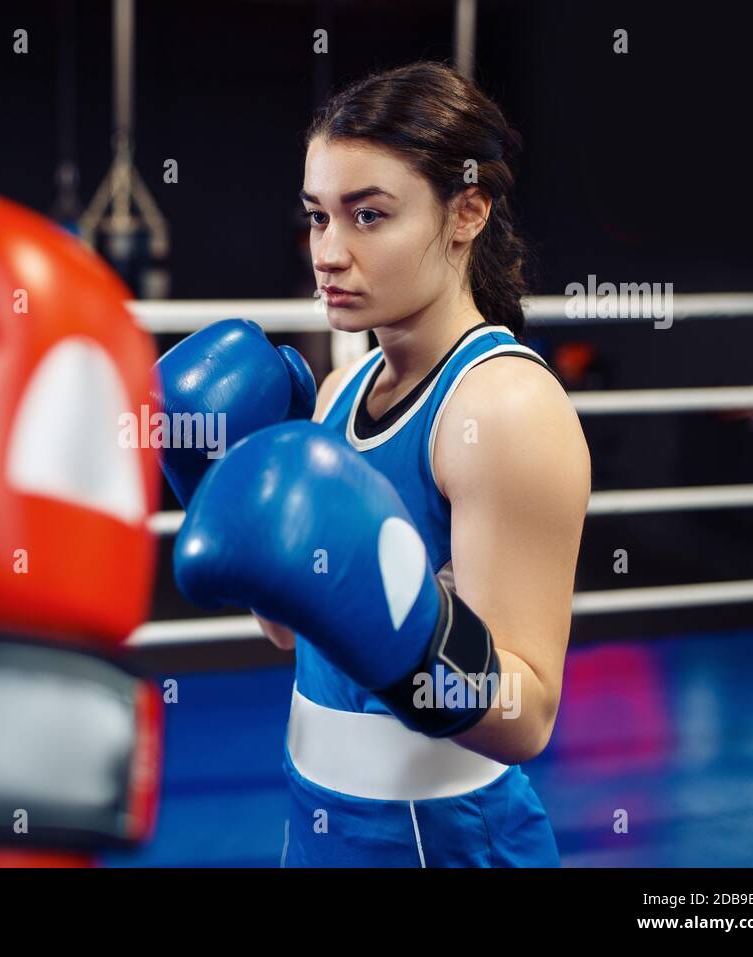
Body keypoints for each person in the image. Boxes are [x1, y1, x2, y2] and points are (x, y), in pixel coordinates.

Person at [159, 62, 590, 866]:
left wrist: (413, 637)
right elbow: (289, 631)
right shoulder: (339, 389)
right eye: (318, 217)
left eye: (368, 216)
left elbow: (527, 715)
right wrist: (220, 476)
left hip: (444, 836)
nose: (329, 251)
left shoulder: (501, 410)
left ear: (466, 212)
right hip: (321, 813)